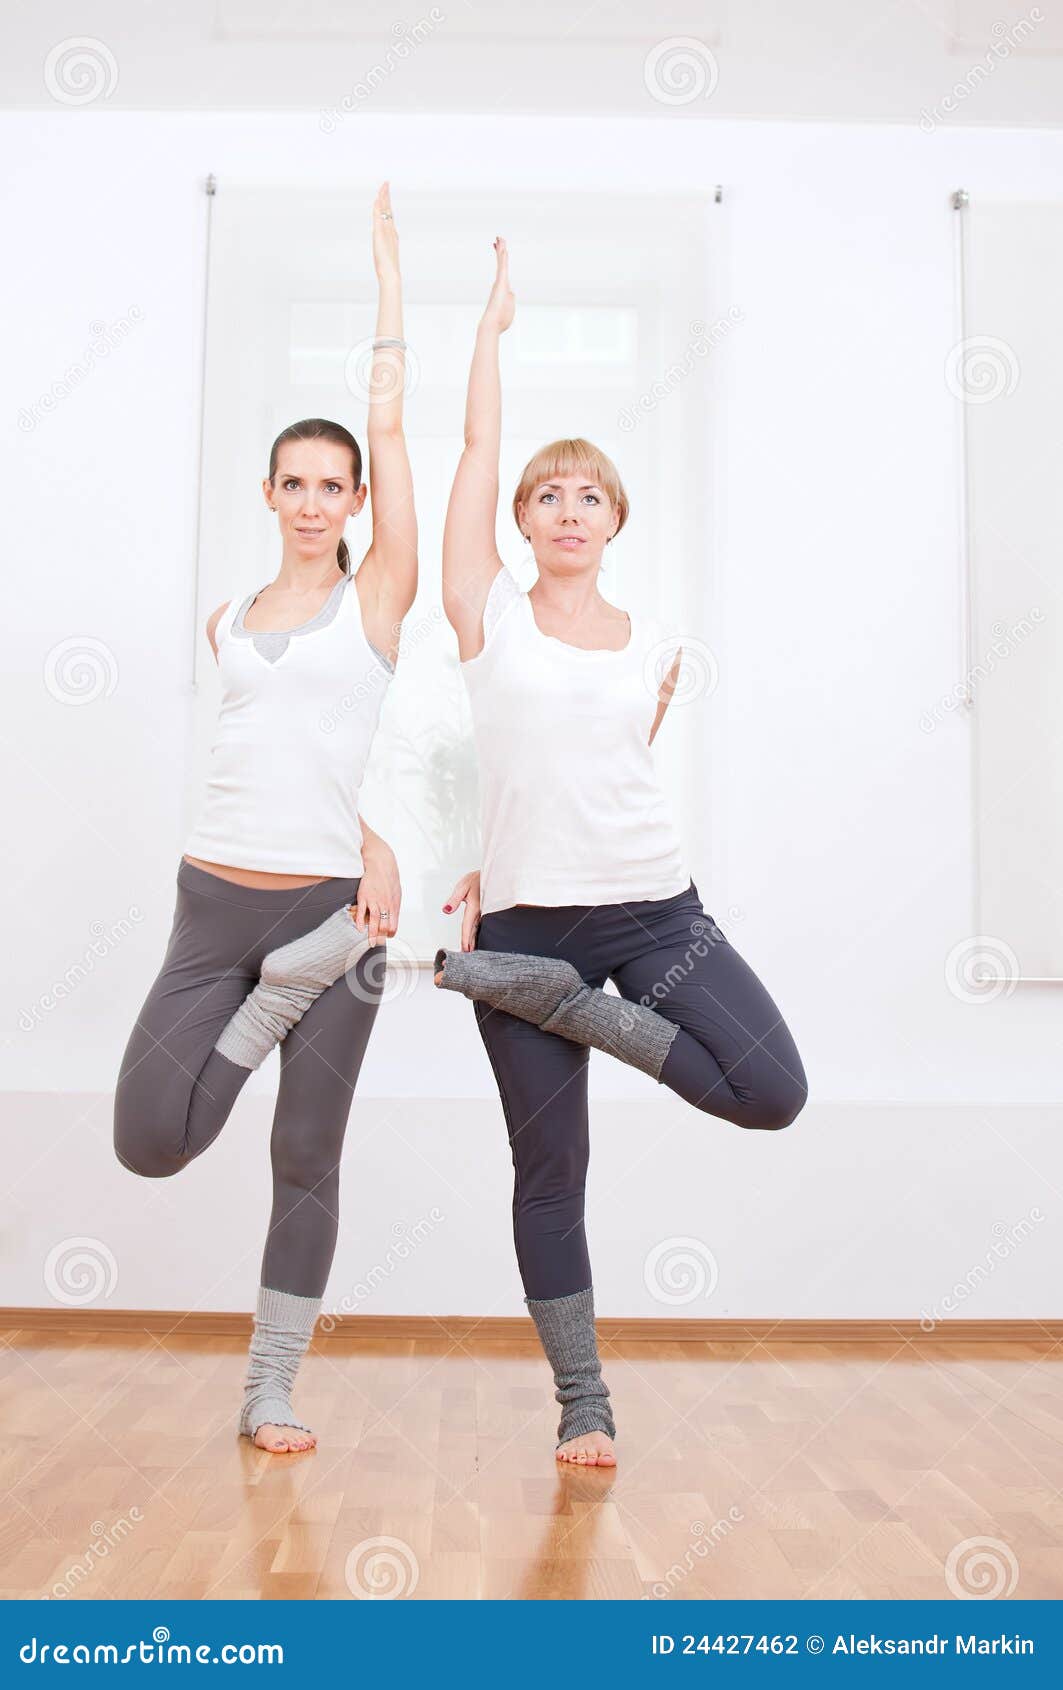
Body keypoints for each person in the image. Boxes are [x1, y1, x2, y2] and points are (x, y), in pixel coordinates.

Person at [434, 237, 808, 1467]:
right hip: (527, 927)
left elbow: (609, 779)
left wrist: (573, 1000)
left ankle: (564, 1010)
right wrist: (488, 336)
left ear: (615, 521)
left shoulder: (657, 642)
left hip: (656, 912)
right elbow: (477, 455)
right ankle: (582, 1401)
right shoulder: (484, 613)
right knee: (552, 1172)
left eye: (588, 495)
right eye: (546, 496)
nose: (565, 510)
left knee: (770, 1090)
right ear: (520, 525)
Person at [113, 183, 417, 1455]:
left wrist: (389, 282)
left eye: (332, 484)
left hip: (330, 915)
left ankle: (270, 1386)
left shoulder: (378, 600)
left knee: (305, 1156)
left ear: (354, 503)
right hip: (215, 902)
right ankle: (273, 998)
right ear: (268, 491)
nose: (311, 500)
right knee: (149, 1139)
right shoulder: (227, 620)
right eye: (292, 481)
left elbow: (398, 430)